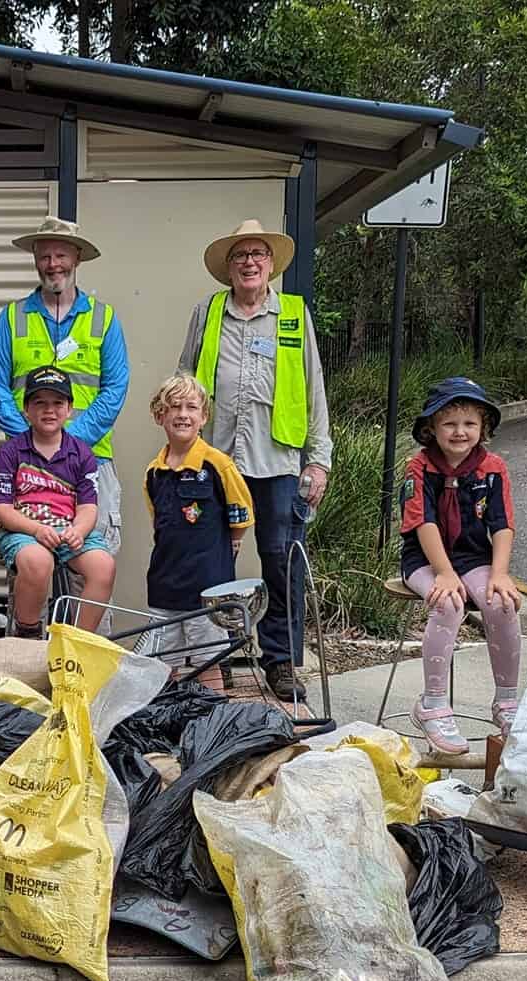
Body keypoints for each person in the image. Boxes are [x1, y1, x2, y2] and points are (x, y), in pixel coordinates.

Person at [175, 219, 331, 702]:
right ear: (228, 267)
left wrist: (318, 459)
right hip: (215, 459)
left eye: (258, 254)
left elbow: (313, 388)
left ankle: (280, 662)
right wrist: (181, 446)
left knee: (280, 562)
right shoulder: (209, 312)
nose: (249, 262)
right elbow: (185, 381)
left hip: (278, 462)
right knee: (210, 561)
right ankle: (211, 660)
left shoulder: (291, 314)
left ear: (270, 265)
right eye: (240, 254)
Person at [0, 217, 132, 559]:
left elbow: (115, 388)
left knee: (93, 558)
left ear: (77, 258)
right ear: (35, 260)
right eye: (45, 256)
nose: (53, 264)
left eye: (61, 255)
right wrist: (34, 441)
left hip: (92, 456)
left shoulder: (104, 318)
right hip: (26, 463)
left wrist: (69, 443)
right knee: (30, 561)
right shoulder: (11, 317)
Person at [399, 378, 523, 752]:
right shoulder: (419, 467)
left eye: (469, 423)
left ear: (483, 428)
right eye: (449, 423)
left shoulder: (492, 467)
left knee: (500, 602)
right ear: (431, 428)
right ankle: (433, 704)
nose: (459, 432)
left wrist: (500, 573)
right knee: (448, 602)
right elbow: (423, 522)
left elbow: (502, 524)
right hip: (425, 558)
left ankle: (506, 701)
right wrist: (444, 572)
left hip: (473, 557)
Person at [139, 375, 253, 691]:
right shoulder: (153, 472)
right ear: (159, 415)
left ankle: (212, 721)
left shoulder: (218, 464)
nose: (183, 414)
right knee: (162, 663)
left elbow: (241, 513)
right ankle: (164, 719)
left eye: (191, 407)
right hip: (165, 586)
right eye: (174, 407)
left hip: (208, 589)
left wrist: (232, 543)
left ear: (204, 417)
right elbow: (157, 522)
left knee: (208, 662)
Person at [0, 366, 114, 634]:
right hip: (24, 530)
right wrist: (36, 529)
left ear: (69, 409)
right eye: (40, 403)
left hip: (69, 528)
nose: (49, 410)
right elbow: (1, 508)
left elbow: (88, 506)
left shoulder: (81, 453)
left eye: (58, 403)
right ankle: (28, 631)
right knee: (38, 561)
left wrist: (79, 531)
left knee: (103, 566)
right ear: (26, 409)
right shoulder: (10, 452)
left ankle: (78, 642)